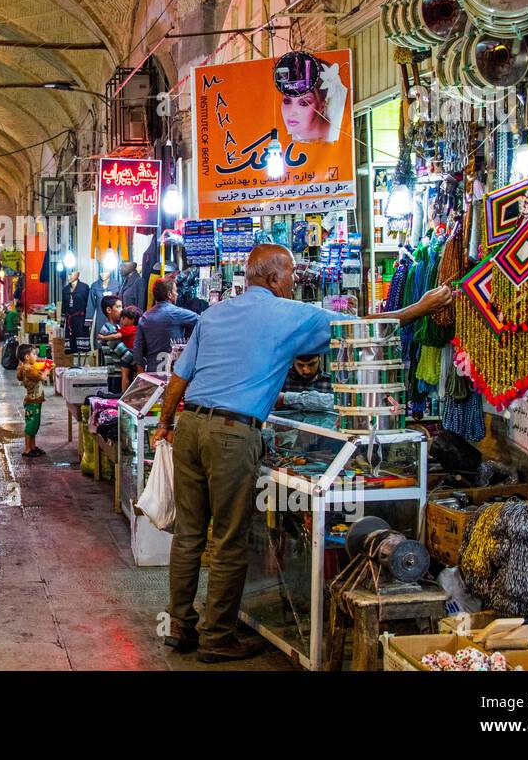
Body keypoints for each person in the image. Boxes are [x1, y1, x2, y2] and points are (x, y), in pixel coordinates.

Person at [152, 244, 452, 662]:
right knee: (228, 539)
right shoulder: (291, 314)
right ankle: (216, 638)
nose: (295, 279)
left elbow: (178, 381)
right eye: (292, 272)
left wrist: (165, 425)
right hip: (231, 436)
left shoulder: (214, 314)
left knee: (187, 535)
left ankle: (179, 626)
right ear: (274, 278)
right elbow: (363, 327)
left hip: (189, 428)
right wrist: (421, 306)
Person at [132, 279, 199, 373]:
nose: (177, 294)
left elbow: (137, 347)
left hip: (152, 372)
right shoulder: (177, 313)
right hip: (174, 372)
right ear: (169, 294)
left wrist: (140, 372)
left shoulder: (145, 317)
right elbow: (201, 320)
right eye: (175, 291)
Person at [15, 344, 51, 459]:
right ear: (27, 357)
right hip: (32, 401)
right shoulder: (29, 370)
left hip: (35, 400)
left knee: (35, 424)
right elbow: (41, 377)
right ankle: (27, 449)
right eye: (34, 354)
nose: (36, 356)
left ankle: (33, 447)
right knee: (31, 425)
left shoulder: (27, 367)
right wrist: (47, 370)